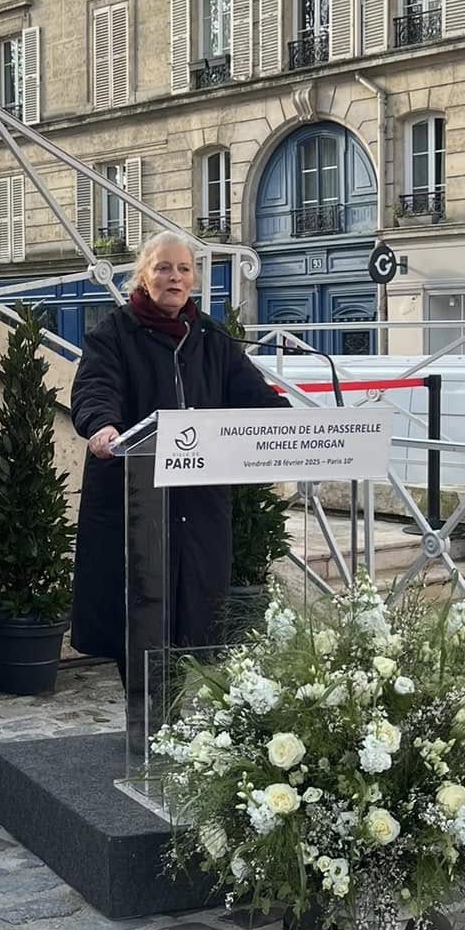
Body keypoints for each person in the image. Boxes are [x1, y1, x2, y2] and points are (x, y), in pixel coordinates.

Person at [69, 231, 285, 679]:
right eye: (163, 268)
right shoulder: (113, 332)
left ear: (195, 279)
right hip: (136, 504)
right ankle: (146, 727)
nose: (175, 277)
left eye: (184, 269)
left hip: (198, 506)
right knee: (138, 620)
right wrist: (103, 426)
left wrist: (292, 425)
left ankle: (177, 731)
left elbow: (252, 395)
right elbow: (95, 388)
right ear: (144, 276)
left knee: (196, 622)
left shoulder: (210, 336)